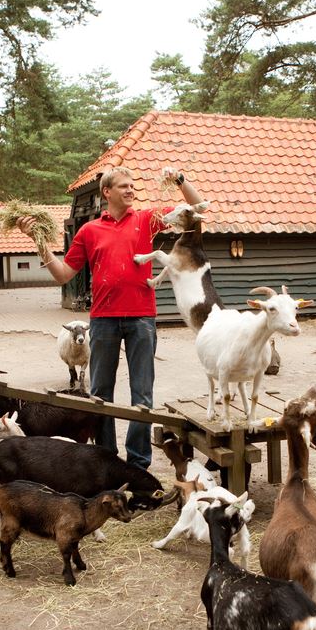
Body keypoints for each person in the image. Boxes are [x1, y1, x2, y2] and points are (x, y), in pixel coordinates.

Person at [20, 166, 203, 469]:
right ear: (107, 192)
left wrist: (180, 180)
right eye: (124, 186)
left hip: (142, 319)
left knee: (141, 393)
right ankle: (106, 460)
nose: (131, 191)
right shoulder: (89, 231)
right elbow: (63, 273)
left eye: (133, 186)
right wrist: (38, 242)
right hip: (103, 321)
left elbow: (195, 209)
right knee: (100, 394)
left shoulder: (147, 219)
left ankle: (138, 462)